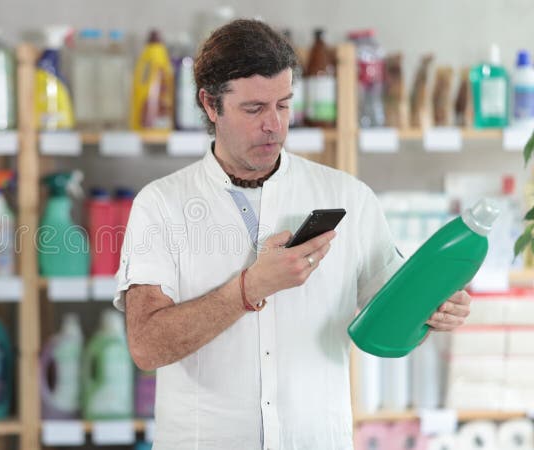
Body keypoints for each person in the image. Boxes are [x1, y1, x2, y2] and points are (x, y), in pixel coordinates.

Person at [113, 19, 471, 450]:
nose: (274, 125)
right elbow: (147, 346)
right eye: (254, 109)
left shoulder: (348, 197)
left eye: (283, 105)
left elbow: (391, 318)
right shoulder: (162, 204)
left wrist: (432, 308)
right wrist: (249, 289)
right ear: (210, 105)